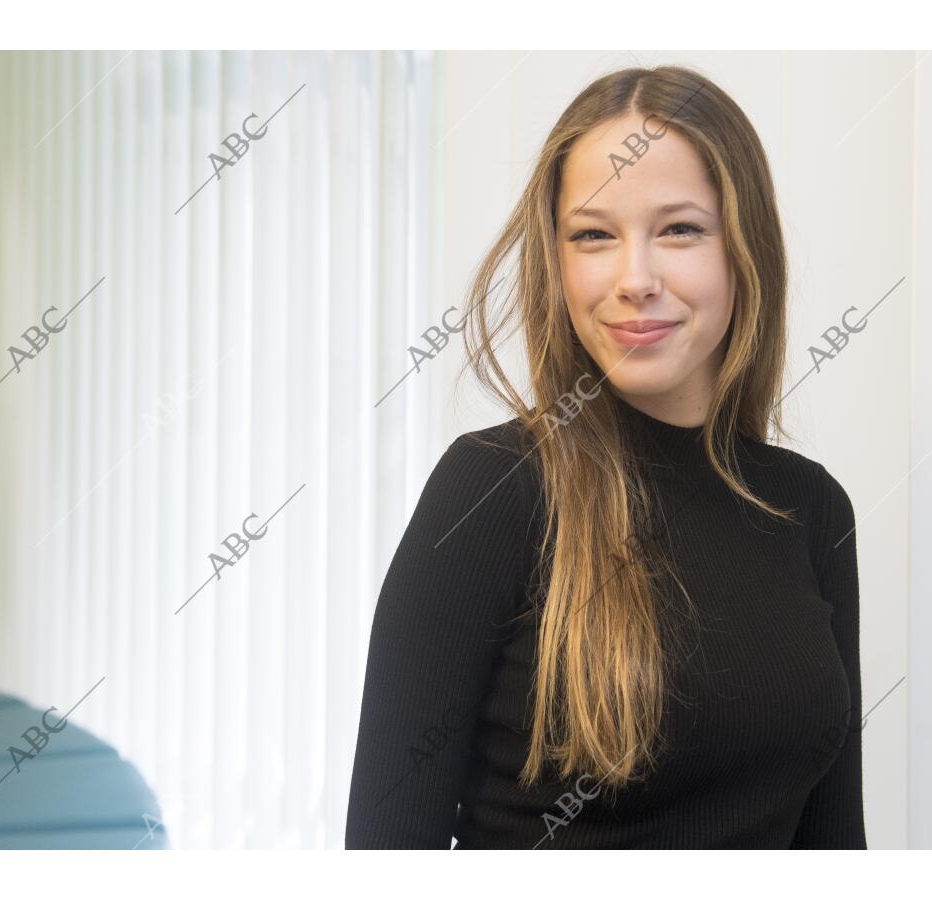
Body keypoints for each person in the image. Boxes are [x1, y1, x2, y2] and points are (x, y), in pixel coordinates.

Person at [344, 65, 865, 849]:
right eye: (593, 235)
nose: (635, 280)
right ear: (556, 262)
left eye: (680, 229)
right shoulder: (494, 489)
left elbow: (835, 851)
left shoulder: (812, 509)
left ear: (744, 249)